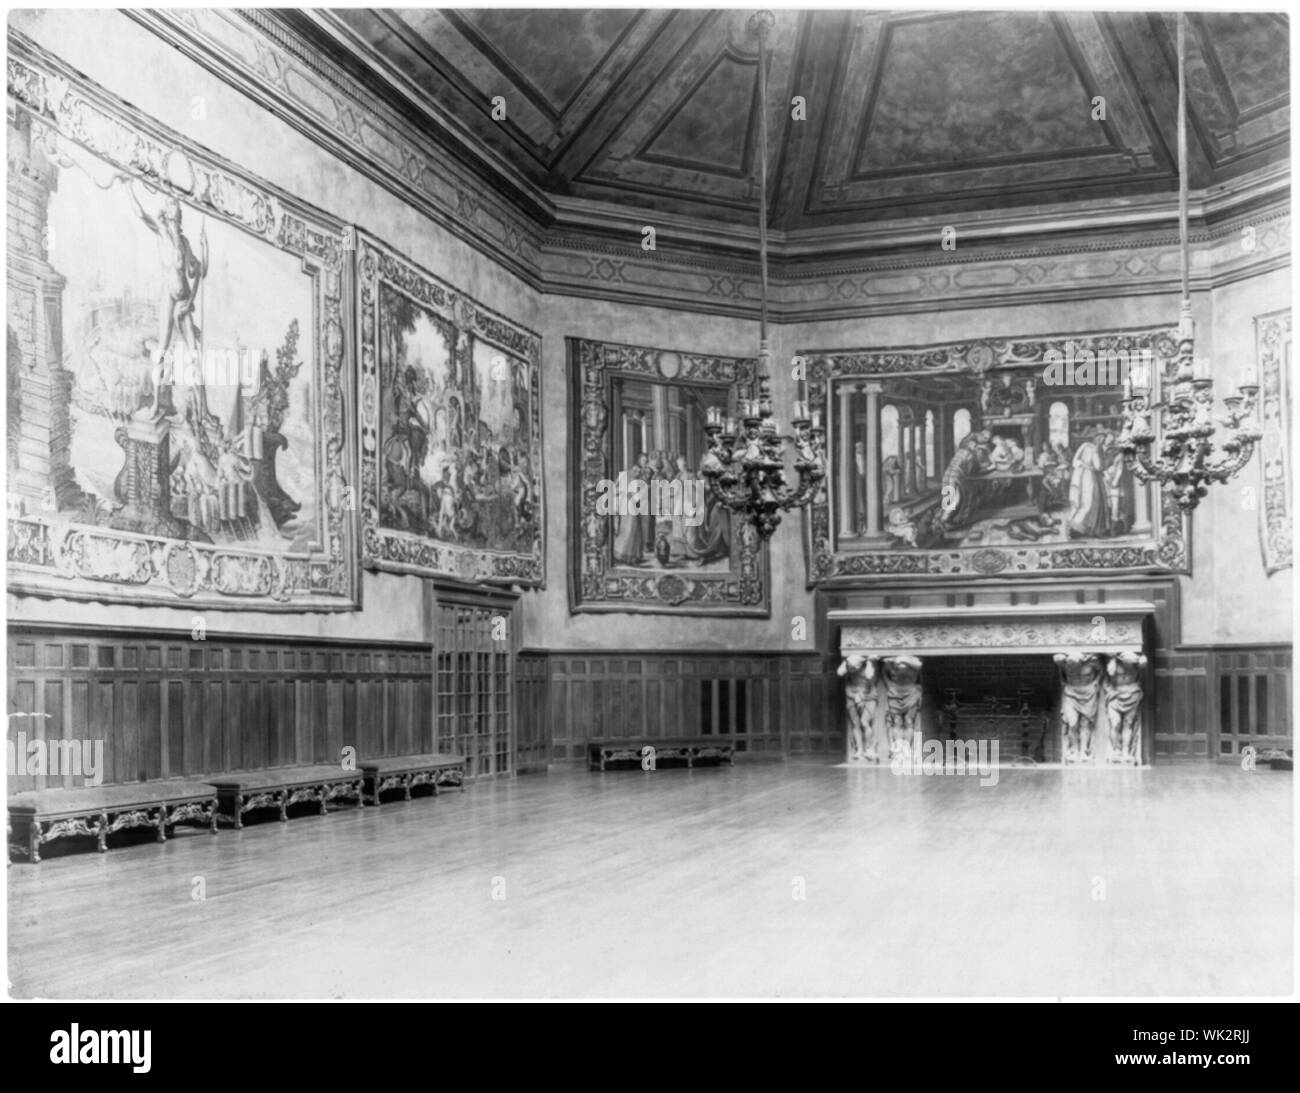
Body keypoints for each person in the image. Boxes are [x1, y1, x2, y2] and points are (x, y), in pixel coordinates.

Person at [1067, 428, 1110, 538]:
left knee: (1091, 502)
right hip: (1087, 477)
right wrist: (1087, 465)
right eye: (1099, 438)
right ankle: (1075, 528)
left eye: (1103, 439)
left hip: (1088, 476)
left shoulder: (1092, 448)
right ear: (1095, 438)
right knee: (1087, 502)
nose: (1101, 440)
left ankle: (1090, 529)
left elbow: (1097, 466)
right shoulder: (1089, 447)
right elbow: (1097, 466)